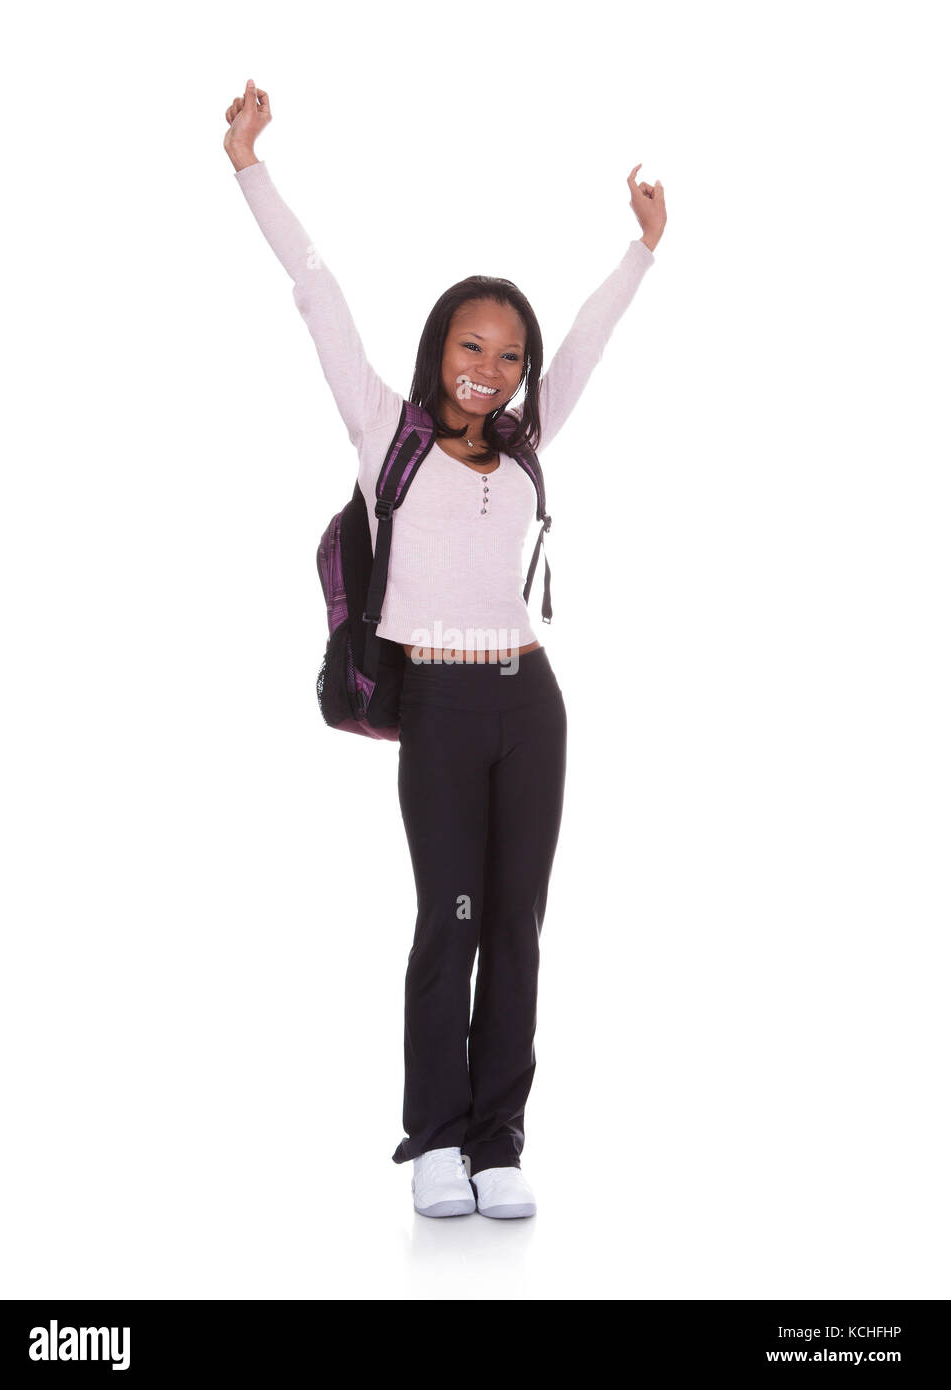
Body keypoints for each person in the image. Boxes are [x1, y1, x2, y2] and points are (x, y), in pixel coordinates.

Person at [224, 78, 666, 1219]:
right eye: (474, 345)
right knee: (451, 919)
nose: (495, 367)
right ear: (441, 346)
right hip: (443, 709)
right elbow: (315, 290)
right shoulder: (387, 433)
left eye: (509, 355)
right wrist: (248, 167)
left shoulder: (528, 442)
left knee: (517, 923)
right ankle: (433, 1136)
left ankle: (499, 1140)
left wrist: (642, 250)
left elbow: (589, 339)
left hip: (533, 701)